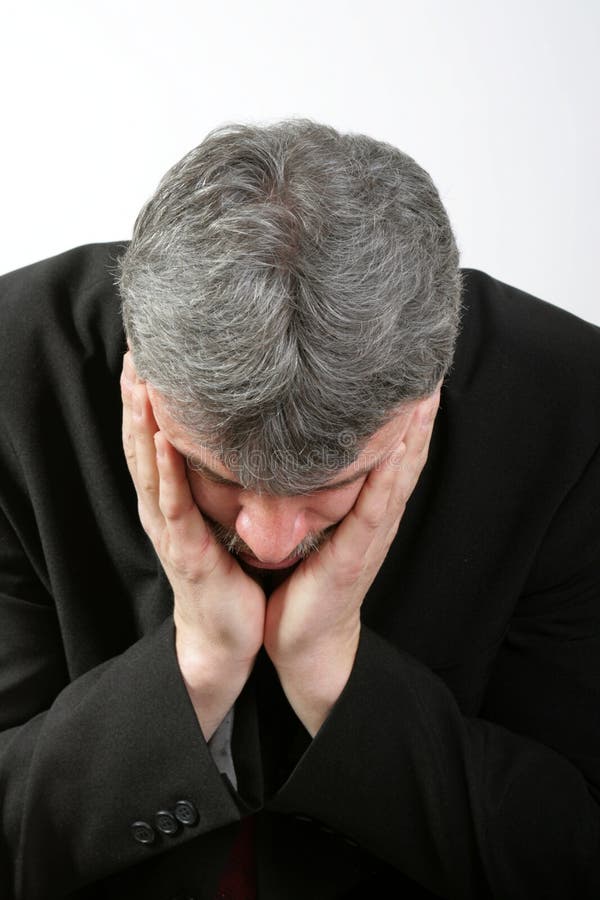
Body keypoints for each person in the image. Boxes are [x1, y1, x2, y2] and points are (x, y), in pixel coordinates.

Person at [0, 119, 598, 900]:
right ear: (140, 380)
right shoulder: (12, 378)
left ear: (425, 401)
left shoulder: (571, 418)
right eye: (217, 473)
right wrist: (198, 664)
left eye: (329, 486)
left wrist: (332, 672)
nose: (271, 540)